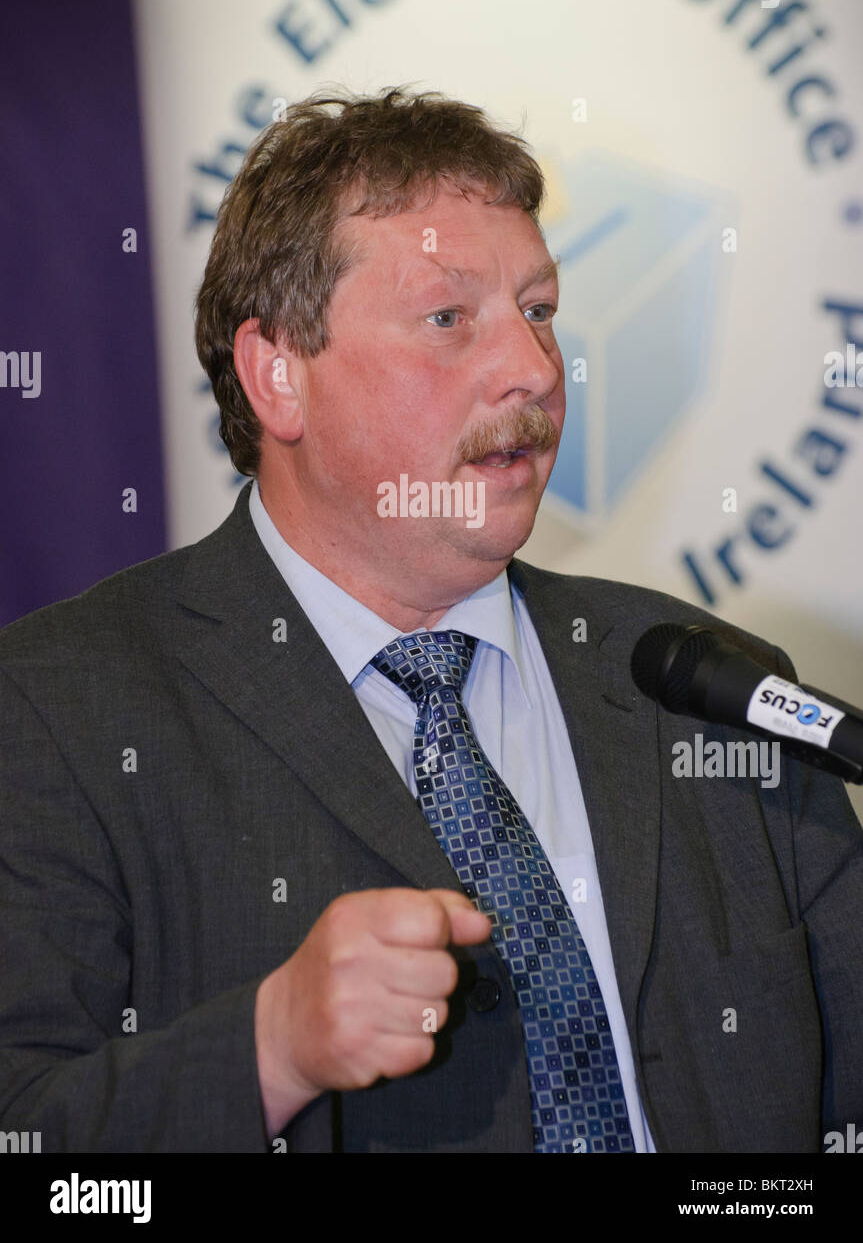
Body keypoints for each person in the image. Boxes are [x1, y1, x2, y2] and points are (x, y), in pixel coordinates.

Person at [0, 86, 861, 1154]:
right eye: (450, 318)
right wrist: (268, 1052)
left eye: (538, 311)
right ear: (278, 375)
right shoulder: (55, 708)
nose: (534, 369)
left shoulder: (708, 690)